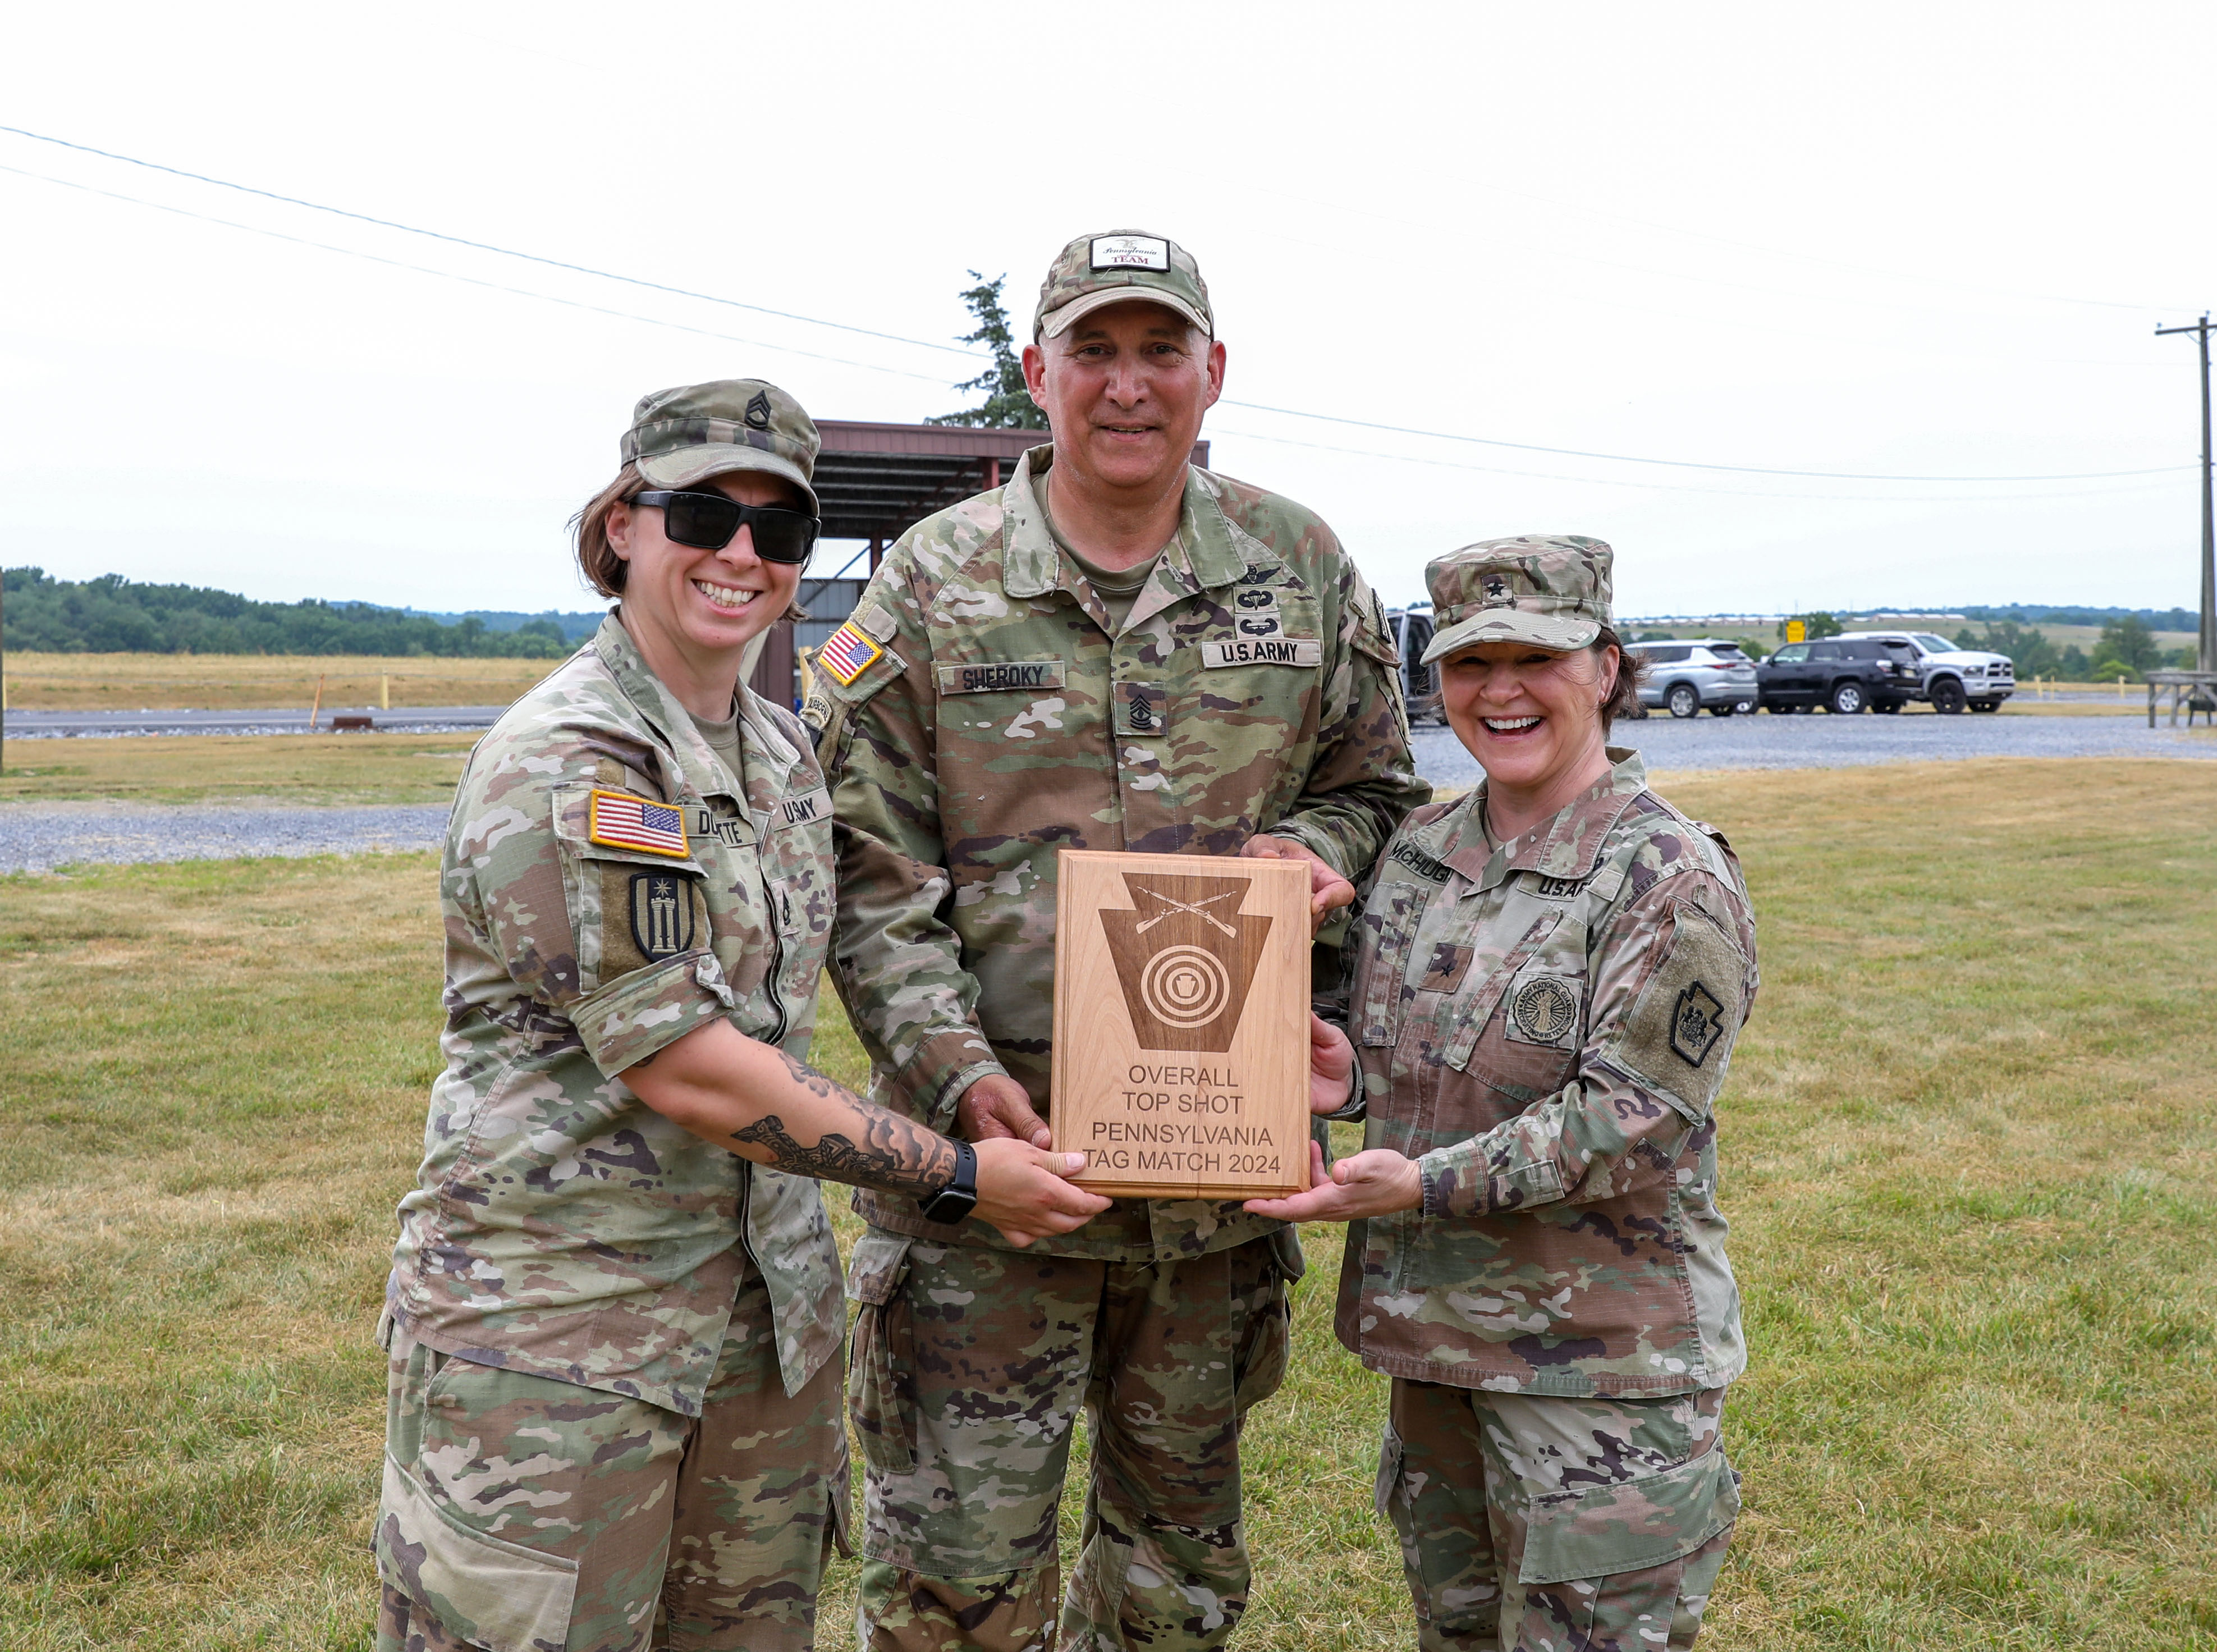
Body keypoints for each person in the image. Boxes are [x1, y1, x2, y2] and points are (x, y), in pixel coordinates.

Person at [374, 379, 1107, 1652]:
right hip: (563, 1342)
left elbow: (878, 929)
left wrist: (966, 1075)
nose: (742, 555)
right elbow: (690, 1066)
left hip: (759, 1329)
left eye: (781, 533)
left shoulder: (778, 749)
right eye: (704, 513)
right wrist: (959, 1173)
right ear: (621, 527)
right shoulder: (576, 755)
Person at [808, 230, 1430, 1651]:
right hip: (993, 1180)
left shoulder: (1297, 561)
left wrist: (1314, 853)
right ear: (1038, 372)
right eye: (1095, 350)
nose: (1129, 386)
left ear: (1216, 373)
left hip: (1210, 1192)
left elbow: (1376, 787)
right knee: (955, 1588)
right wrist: (956, 1072)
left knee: (1178, 1581)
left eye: (1162, 351)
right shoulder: (933, 578)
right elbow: (870, 863)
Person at [1248, 536, 1757, 1652]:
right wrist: (1344, 1077)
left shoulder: (1665, 873)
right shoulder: (1424, 850)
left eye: (1538, 656)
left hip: (1597, 1385)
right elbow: (1418, 1056)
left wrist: (1413, 1183)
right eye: (1472, 664)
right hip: (1439, 1357)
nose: (1502, 690)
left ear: (1606, 669)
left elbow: (1618, 1121)